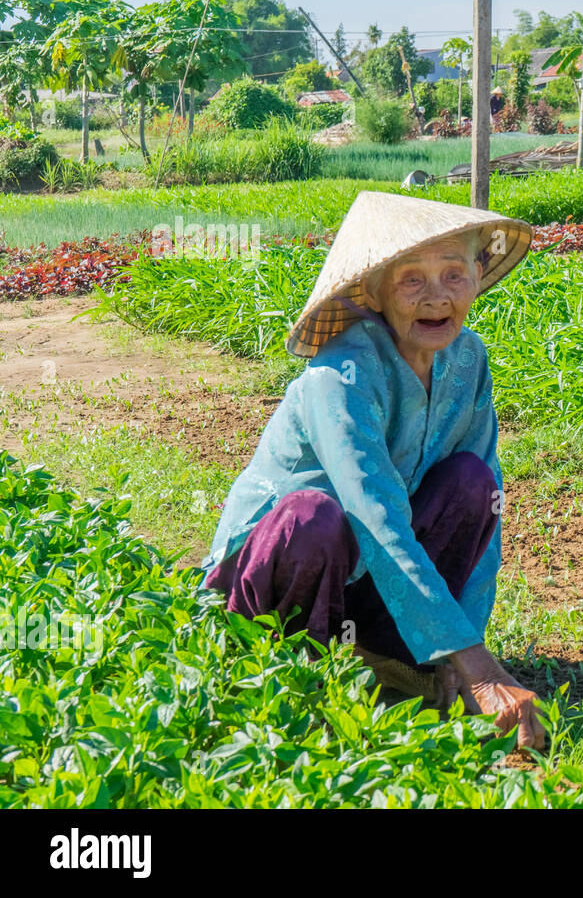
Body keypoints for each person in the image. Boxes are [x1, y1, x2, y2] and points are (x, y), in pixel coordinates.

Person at [200, 191, 545, 749]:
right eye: (412, 279)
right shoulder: (339, 371)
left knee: (473, 487)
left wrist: (466, 653)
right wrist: (483, 671)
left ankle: (394, 662)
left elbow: (489, 510)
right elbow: (373, 514)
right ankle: (291, 676)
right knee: (315, 517)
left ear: (478, 277)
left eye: (454, 274)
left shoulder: (468, 360)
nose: (436, 298)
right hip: (277, 572)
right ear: (374, 291)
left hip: (361, 578)